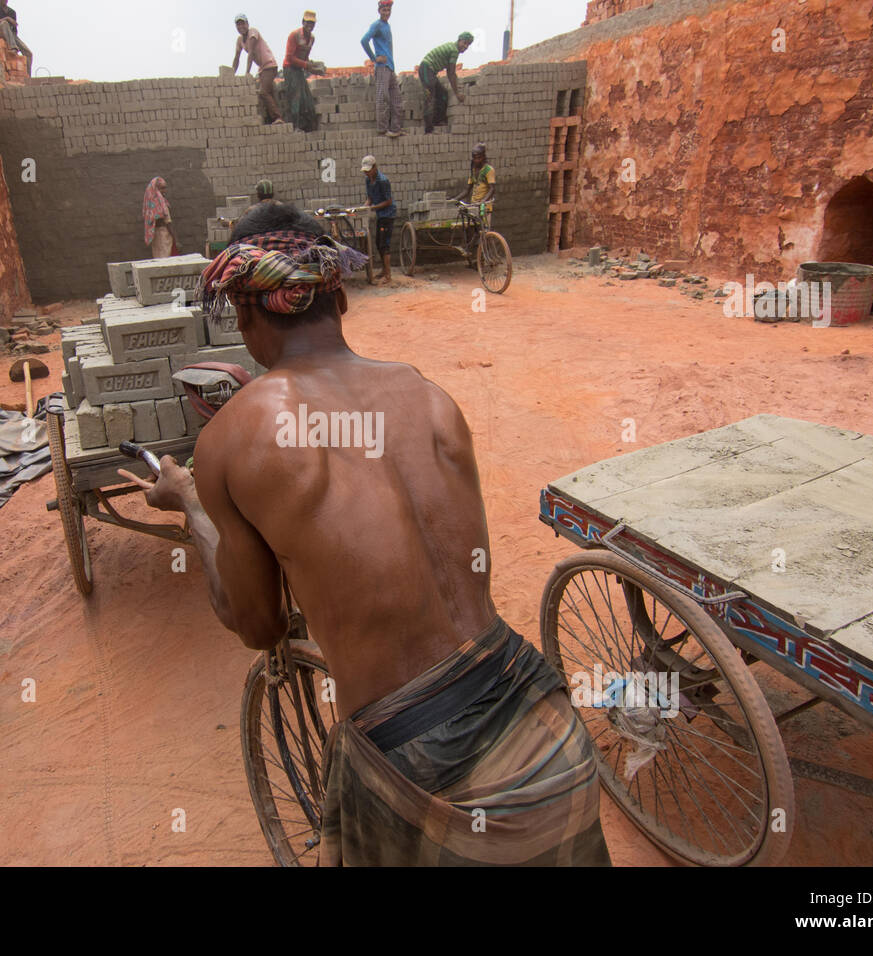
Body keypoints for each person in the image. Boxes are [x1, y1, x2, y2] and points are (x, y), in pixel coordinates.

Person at [123, 202, 613, 866]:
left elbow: (258, 627)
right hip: (546, 725)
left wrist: (190, 501)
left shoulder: (231, 438)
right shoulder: (430, 397)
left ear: (242, 313)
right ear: (341, 297)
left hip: (426, 768)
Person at [360, 1, 403, 138]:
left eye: (388, 10)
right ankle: (382, 130)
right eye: (384, 10)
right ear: (379, 11)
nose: (386, 13)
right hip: (382, 67)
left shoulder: (387, 26)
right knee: (382, 98)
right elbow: (364, 40)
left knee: (396, 99)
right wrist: (374, 58)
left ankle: (395, 129)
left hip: (390, 67)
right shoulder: (377, 25)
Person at [232, 15, 284, 125]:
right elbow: (237, 57)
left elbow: (250, 52)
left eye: (243, 23)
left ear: (247, 24)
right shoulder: (240, 40)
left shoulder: (253, 32)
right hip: (262, 69)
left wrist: (247, 72)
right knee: (268, 92)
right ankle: (272, 119)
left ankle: (278, 117)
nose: (241, 26)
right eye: (238, 24)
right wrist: (230, 75)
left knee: (263, 92)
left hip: (269, 65)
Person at [419, 32, 474, 133]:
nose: (465, 47)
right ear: (459, 40)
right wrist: (457, 93)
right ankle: (428, 129)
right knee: (429, 96)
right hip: (426, 68)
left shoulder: (452, 48)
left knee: (443, 94)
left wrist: (456, 81)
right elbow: (451, 73)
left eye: (468, 45)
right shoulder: (454, 50)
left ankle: (438, 121)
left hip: (430, 72)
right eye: (464, 43)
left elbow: (451, 72)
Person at [283, 11, 326, 133]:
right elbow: (289, 58)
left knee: (307, 99)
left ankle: (308, 127)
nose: (310, 25)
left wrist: (315, 67)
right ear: (303, 22)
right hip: (289, 69)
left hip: (299, 69)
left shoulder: (312, 39)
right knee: (295, 97)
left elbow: (305, 57)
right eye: (307, 22)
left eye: (312, 23)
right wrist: (307, 65)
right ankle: (295, 127)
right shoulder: (294, 35)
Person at [359, 156, 395, 284]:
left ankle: (388, 275)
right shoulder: (368, 180)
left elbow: (388, 201)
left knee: (384, 244)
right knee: (378, 243)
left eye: (368, 170)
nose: (367, 173)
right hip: (380, 214)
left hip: (387, 214)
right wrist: (363, 209)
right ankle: (384, 271)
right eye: (365, 171)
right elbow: (370, 198)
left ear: (375, 167)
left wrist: (373, 207)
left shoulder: (383, 181)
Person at [0, 1, 33, 76]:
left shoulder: (12, 12)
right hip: (0, 32)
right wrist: (7, 18)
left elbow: (15, 28)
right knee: (4, 23)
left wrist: (12, 22)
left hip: (12, 35)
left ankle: (28, 76)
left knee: (29, 53)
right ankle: (13, 47)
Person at [454, 142, 496, 212]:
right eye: (474, 158)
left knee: (483, 223)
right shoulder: (473, 169)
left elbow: (492, 189)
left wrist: (482, 201)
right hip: (474, 205)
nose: (476, 160)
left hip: (485, 207)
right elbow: (467, 190)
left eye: (478, 158)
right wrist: (454, 200)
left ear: (483, 157)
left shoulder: (489, 170)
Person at [143, 177, 178, 258]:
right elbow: (168, 222)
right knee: (166, 260)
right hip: (164, 236)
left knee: (158, 259)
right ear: (156, 189)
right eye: (162, 188)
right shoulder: (160, 204)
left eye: (165, 188)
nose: (164, 191)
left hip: (155, 236)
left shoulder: (150, 204)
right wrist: (176, 240)